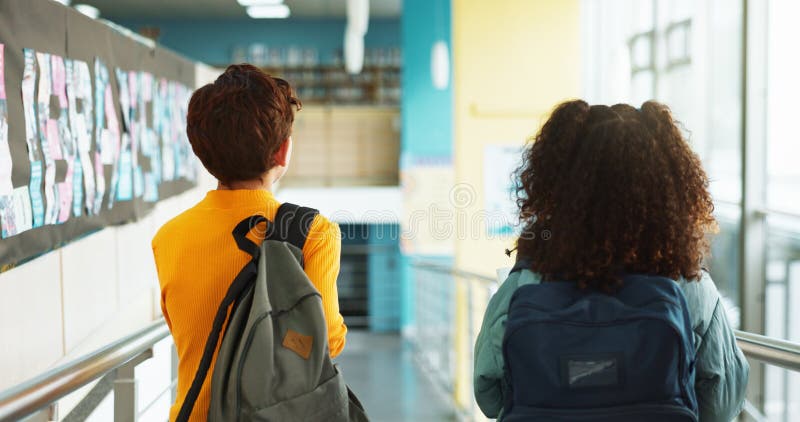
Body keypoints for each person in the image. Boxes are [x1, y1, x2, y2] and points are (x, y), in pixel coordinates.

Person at [473, 100, 749, 421]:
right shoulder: (690, 286)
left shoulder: (525, 283)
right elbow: (723, 404)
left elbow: (488, 396)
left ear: (559, 182)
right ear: (665, 184)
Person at [152, 64, 348, 422]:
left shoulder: (168, 237)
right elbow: (327, 342)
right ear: (283, 152)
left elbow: (186, 330)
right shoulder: (315, 233)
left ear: (202, 152)